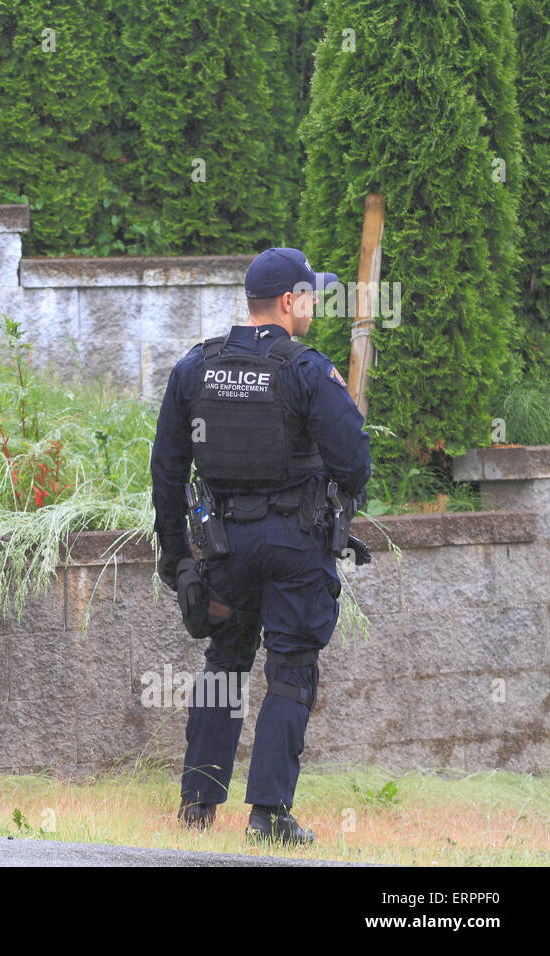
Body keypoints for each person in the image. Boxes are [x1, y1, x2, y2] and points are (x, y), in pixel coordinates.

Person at [150, 247, 372, 845]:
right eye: (311, 296)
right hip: (295, 544)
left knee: (224, 664)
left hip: (223, 546)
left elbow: (167, 471)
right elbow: (354, 460)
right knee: (291, 669)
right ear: (287, 302)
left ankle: (197, 805)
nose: (317, 306)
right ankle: (269, 814)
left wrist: (177, 559)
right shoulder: (305, 369)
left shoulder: (195, 367)